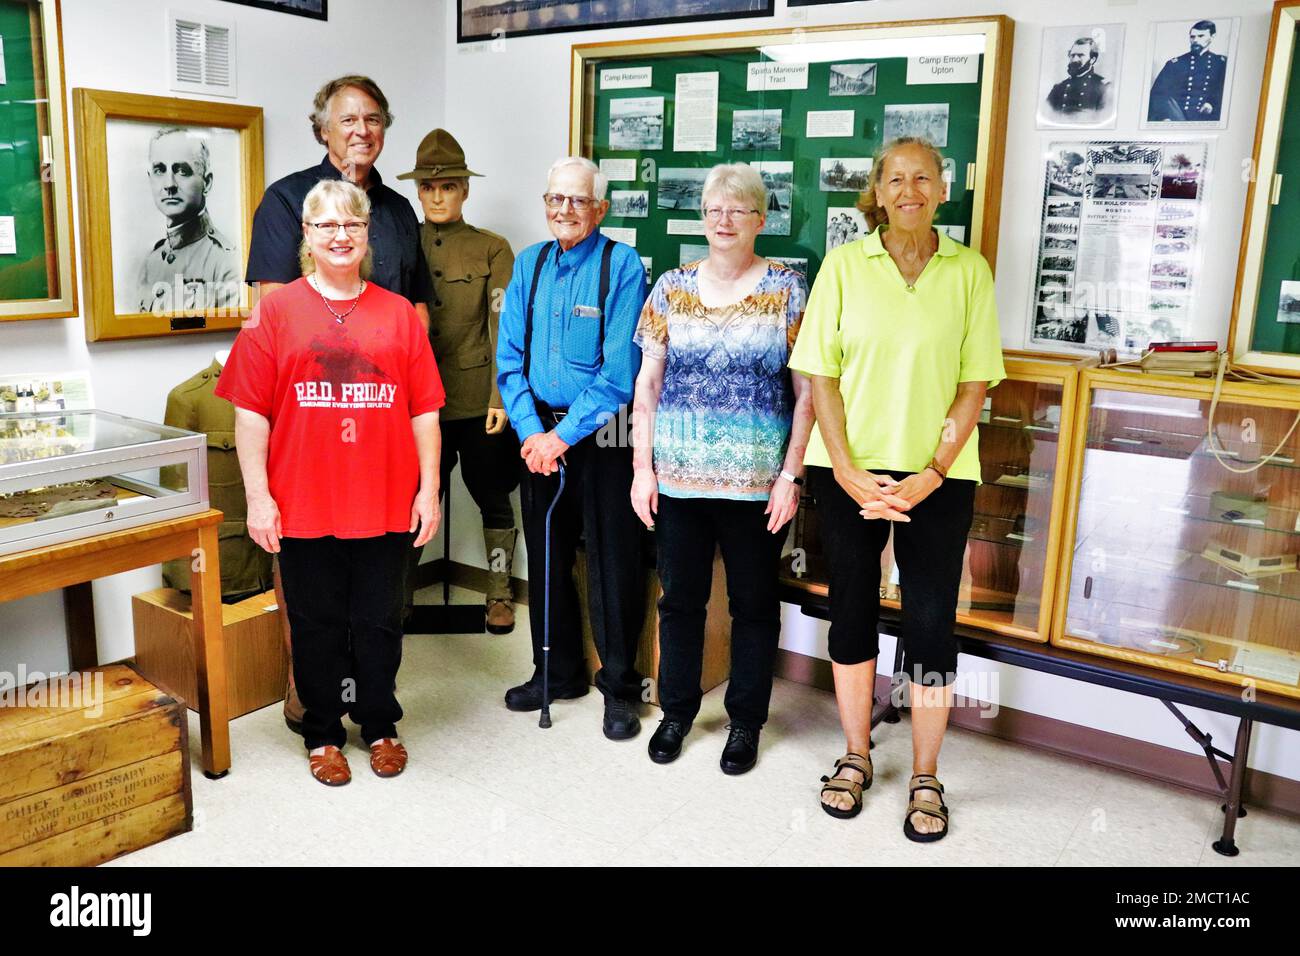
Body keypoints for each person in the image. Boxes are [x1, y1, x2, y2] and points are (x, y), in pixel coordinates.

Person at [788, 137, 1005, 841]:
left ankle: (925, 774)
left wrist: (933, 472)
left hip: (937, 479)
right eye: (895, 178)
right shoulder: (846, 266)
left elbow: (974, 384)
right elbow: (820, 374)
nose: (909, 189)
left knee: (931, 623)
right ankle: (854, 755)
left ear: (943, 189)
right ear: (876, 192)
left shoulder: (969, 271)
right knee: (851, 611)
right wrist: (847, 469)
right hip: (848, 471)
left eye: (923, 178)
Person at [216, 179, 445, 786]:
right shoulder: (275, 311)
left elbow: (425, 410)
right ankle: (321, 732)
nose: (341, 236)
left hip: (385, 502)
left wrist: (429, 491)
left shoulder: (397, 314)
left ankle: (379, 725)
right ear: (307, 237)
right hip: (303, 505)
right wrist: (259, 499)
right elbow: (249, 414)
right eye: (327, 226)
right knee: (315, 625)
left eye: (353, 224)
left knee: (380, 621)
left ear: (368, 234)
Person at [243, 74, 430, 736]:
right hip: (310, 438)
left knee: (380, 595)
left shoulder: (401, 212)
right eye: (348, 119)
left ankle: (374, 707)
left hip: (386, 431)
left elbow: (420, 309)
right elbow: (268, 316)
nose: (362, 130)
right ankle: (313, 699)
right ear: (321, 128)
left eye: (374, 118)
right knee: (313, 593)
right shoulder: (287, 198)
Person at [630, 163, 812, 774]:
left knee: (753, 605)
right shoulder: (670, 288)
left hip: (760, 487)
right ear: (702, 218)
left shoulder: (788, 290)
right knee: (679, 601)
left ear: (761, 220)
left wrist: (791, 476)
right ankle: (676, 710)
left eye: (739, 210)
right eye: (714, 210)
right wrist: (641, 470)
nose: (724, 220)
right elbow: (647, 386)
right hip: (678, 479)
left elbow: (808, 392)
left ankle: (746, 723)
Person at [496, 156, 648, 740]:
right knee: (547, 556)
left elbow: (619, 371)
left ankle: (619, 688)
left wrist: (560, 437)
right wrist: (534, 433)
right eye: (555, 199)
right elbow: (510, 361)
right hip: (539, 439)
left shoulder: (621, 266)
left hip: (604, 437)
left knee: (614, 561)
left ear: (599, 209)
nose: (564, 210)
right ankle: (555, 673)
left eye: (578, 201)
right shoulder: (529, 264)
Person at [396, 129, 520, 633]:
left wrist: (500, 395)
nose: (438, 195)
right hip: (415, 403)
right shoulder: (400, 247)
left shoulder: (492, 249)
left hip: (475, 400)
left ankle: (498, 591)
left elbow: (503, 328)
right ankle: (398, 594)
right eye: (429, 187)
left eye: (448, 186)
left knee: (493, 494)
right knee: (411, 500)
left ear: (465, 190)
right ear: (418, 192)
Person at [137, 127, 240, 313]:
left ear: (206, 183)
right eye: (160, 170)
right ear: (150, 178)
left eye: (182, 171)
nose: (169, 184)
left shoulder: (227, 261)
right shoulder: (151, 262)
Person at [1147, 20, 1228, 122]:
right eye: (1192, 37)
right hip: (1177, 118)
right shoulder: (1175, 64)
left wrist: (1212, 104)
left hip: (1208, 119)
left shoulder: (1221, 63)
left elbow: (1225, 92)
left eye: (1201, 36)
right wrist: (1165, 116)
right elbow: (1158, 94)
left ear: (1212, 37)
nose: (1195, 40)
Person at [1046, 37, 1110, 116]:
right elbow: (1047, 115)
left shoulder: (1103, 87)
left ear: (1092, 59)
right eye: (1072, 55)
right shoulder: (1059, 88)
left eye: (1080, 55)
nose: (1075, 59)